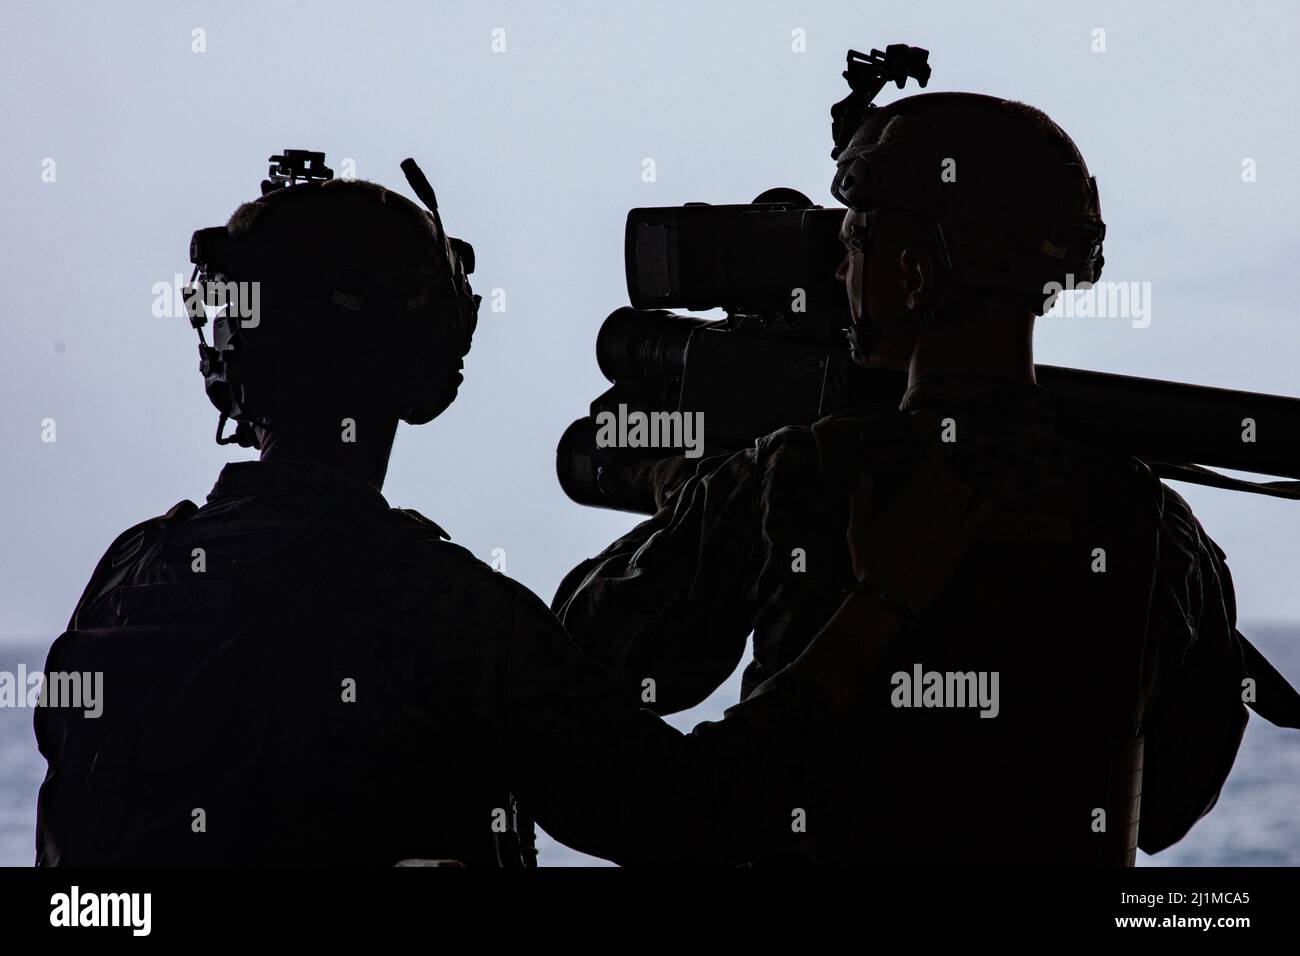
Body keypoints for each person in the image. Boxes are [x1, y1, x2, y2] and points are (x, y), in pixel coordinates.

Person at [33, 153, 986, 867]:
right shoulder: (440, 610)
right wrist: (878, 605)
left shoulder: (130, 573)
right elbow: (696, 811)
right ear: (425, 351)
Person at [553, 93, 1258, 865]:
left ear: (915, 276)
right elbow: (1166, 808)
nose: (837, 265)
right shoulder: (1157, 527)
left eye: (854, 242)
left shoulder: (794, 478)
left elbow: (586, 660)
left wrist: (687, 502)